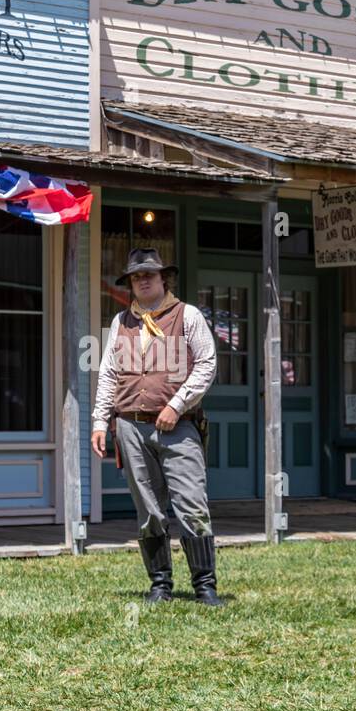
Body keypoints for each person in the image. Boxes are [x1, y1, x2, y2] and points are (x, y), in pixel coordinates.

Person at [90, 248, 221, 605]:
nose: (143, 280)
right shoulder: (121, 323)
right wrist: (101, 421)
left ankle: (204, 586)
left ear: (165, 278)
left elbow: (207, 365)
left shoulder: (187, 316)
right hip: (130, 427)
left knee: (192, 504)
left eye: (149, 274)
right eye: (136, 276)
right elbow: (108, 375)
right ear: (131, 284)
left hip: (179, 428)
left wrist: (177, 406)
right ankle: (160, 585)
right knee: (148, 508)